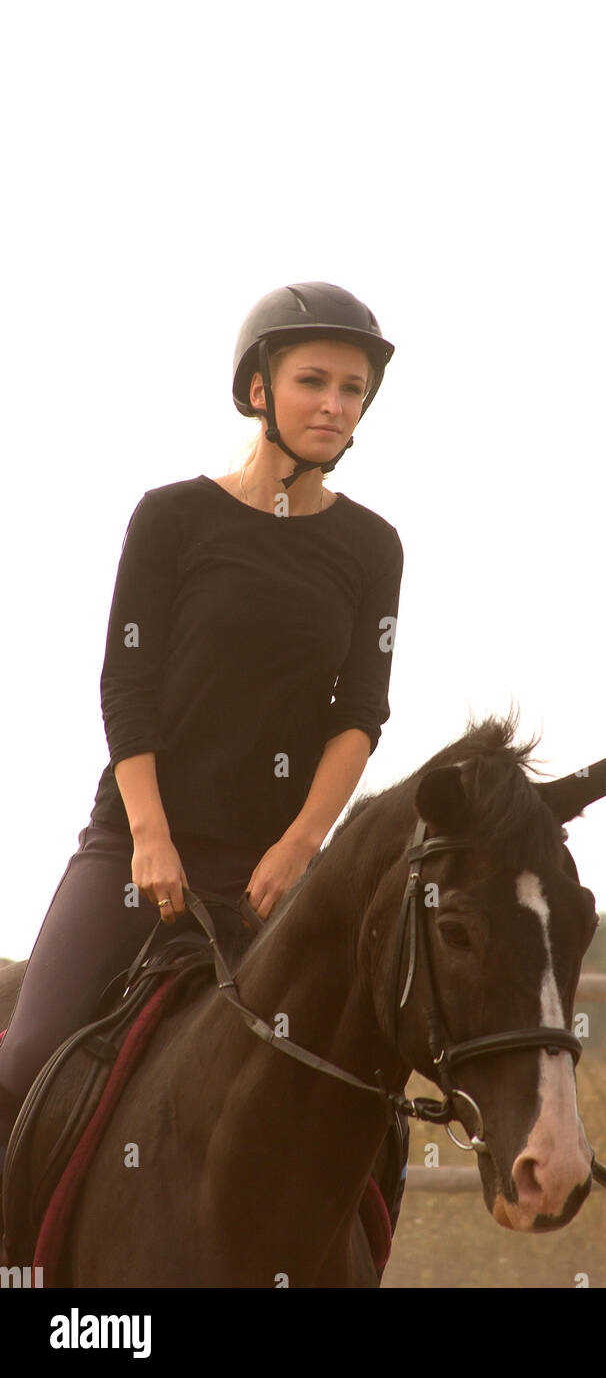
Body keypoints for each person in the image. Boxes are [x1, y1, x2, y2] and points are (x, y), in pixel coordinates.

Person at [0, 282, 405, 1215]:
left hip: (270, 871)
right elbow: (126, 690)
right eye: (313, 381)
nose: (335, 405)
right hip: (138, 853)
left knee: (363, 1108)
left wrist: (301, 846)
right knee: (24, 1061)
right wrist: (149, 839)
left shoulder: (373, 546)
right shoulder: (173, 520)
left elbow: (360, 714)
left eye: (353, 389)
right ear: (258, 389)